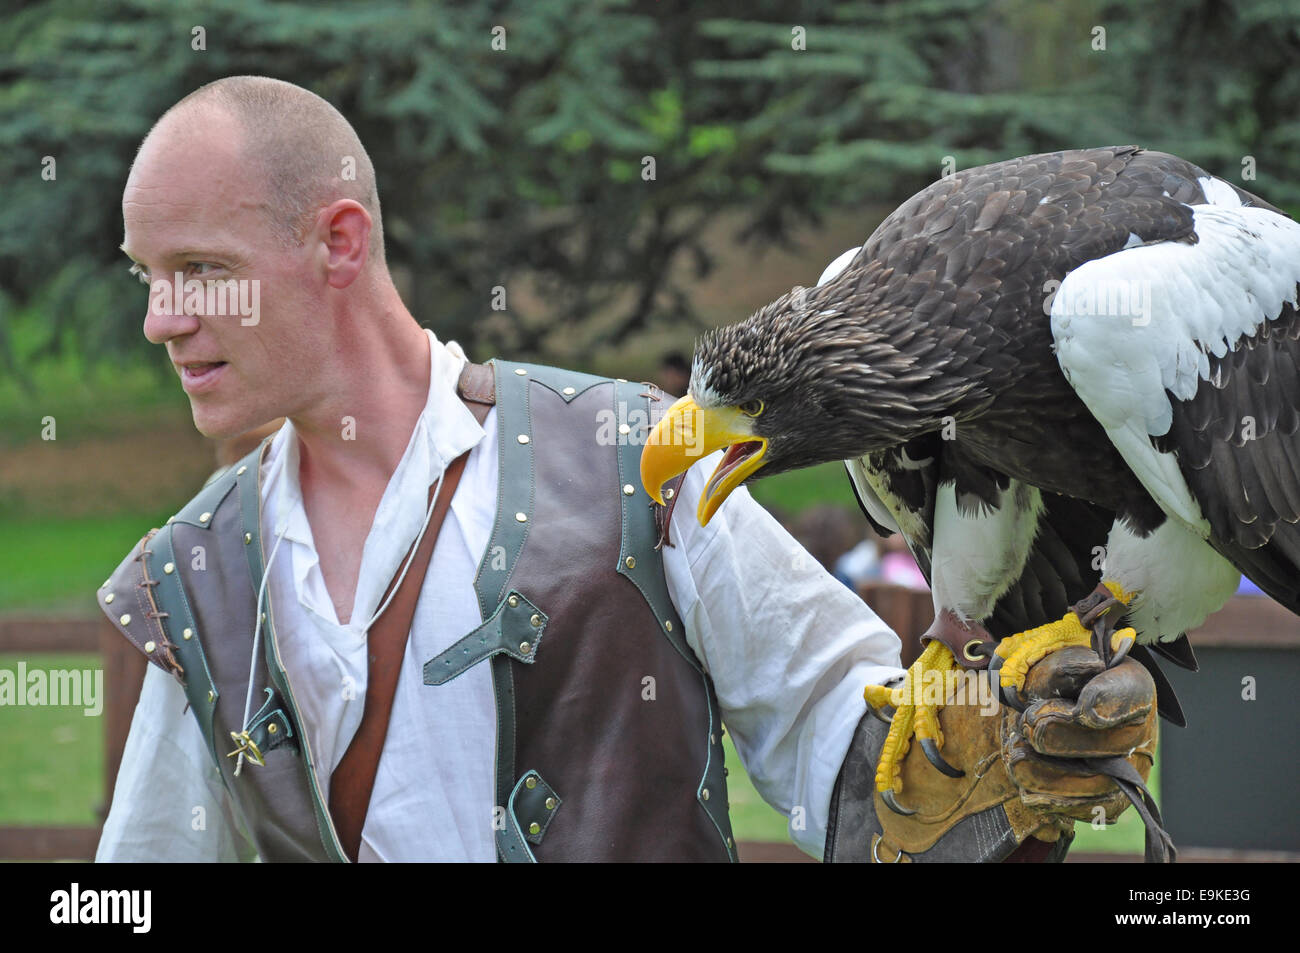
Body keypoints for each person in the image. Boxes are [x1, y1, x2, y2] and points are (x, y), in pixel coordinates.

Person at [96, 76, 1157, 863]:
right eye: (149, 277)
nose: (161, 319)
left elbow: (859, 758)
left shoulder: (631, 459)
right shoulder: (199, 574)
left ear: (337, 242)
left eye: (202, 273)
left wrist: (998, 733)